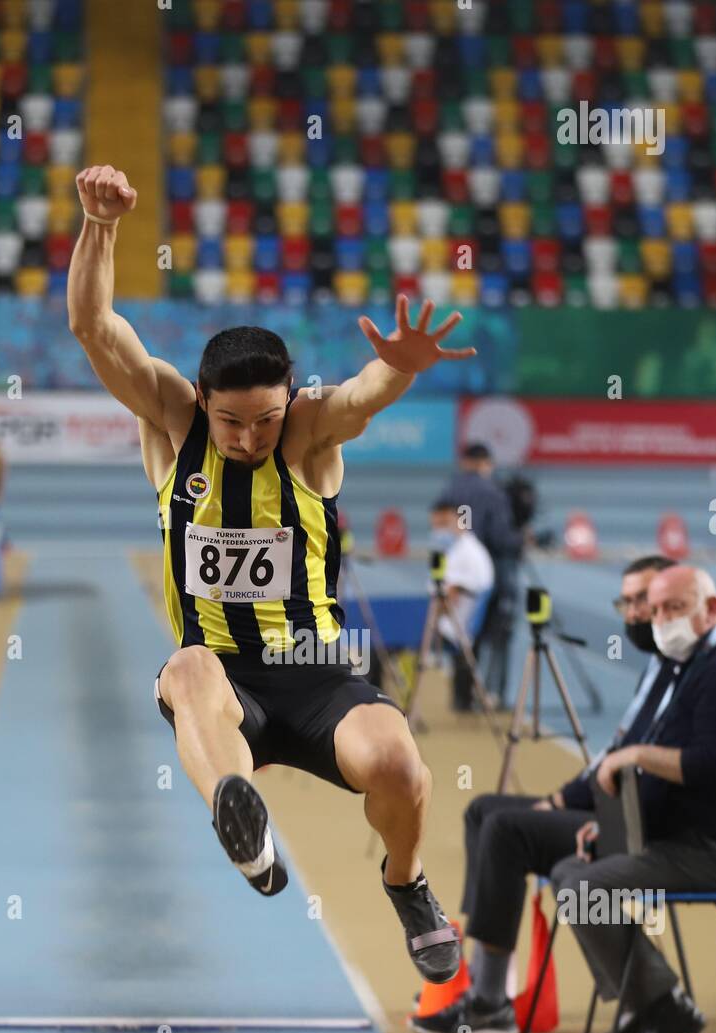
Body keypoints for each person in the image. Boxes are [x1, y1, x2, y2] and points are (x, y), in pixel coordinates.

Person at [67, 163, 478, 986]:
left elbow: (364, 395)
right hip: (226, 683)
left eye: (264, 420)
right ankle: (238, 815)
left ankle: (407, 882)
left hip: (317, 675)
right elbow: (94, 326)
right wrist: (100, 226)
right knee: (183, 665)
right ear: (203, 402)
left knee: (401, 767)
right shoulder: (168, 418)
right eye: (230, 422)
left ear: (287, 400)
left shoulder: (310, 433)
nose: (249, 439)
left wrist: (399, 367)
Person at [411, 554, 680, 1033]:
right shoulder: (659, 668)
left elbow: (655, 768)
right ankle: (481, 971)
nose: (637, 613)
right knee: (484, 809)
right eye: (631, 602)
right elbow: (614, 755)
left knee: (507, 830)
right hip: (611, 807)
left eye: (648, 601)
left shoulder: (684, 674)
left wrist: (590, 815)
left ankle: (491, 1005)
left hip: (636, 825)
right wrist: (559, 799)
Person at [550, 565, 716, 1033]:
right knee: (569, 870)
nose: (659, 621)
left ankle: (658, 1006)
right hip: (680, 837)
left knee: (583, 888)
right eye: (655, 610)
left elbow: (714, 771)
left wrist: (635, 755)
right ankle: (656, 1001)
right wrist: (616, 824)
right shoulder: (693, 662)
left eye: (674, 609)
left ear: (711, 610)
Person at [433, 442, 523, 707]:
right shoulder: (492, 491)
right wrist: (522, 540)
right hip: (489, 570)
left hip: (456, 568)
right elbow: (501, 537)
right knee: (499, 632)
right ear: (485, 463)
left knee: (465, 632)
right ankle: (495, 694)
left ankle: (463, 696)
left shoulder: (451, 487)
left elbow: (438, 524)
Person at [428, 501, 494, 692]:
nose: (438, 530)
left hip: (454, 625)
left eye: (442, 524)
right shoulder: (459, 549)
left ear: (458, 520)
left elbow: (451, 594)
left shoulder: (469, 553)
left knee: (379, 635)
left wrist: (433, 620)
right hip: (452, 621)